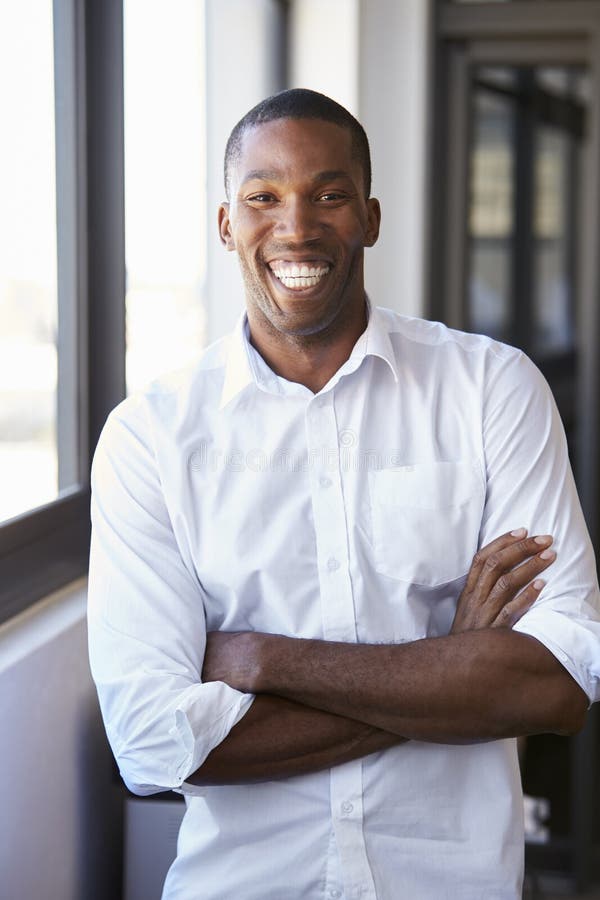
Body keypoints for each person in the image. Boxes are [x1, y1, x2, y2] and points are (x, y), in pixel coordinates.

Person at [88, 89, 600, 900]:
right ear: (227, 224)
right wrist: (449, 669)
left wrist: (266, 661)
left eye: (329, 195)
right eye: (264, 198)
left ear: (370, 216)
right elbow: (152, 744)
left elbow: (560, 683)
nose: (296, 227)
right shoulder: (150, 438)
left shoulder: (491, 390)